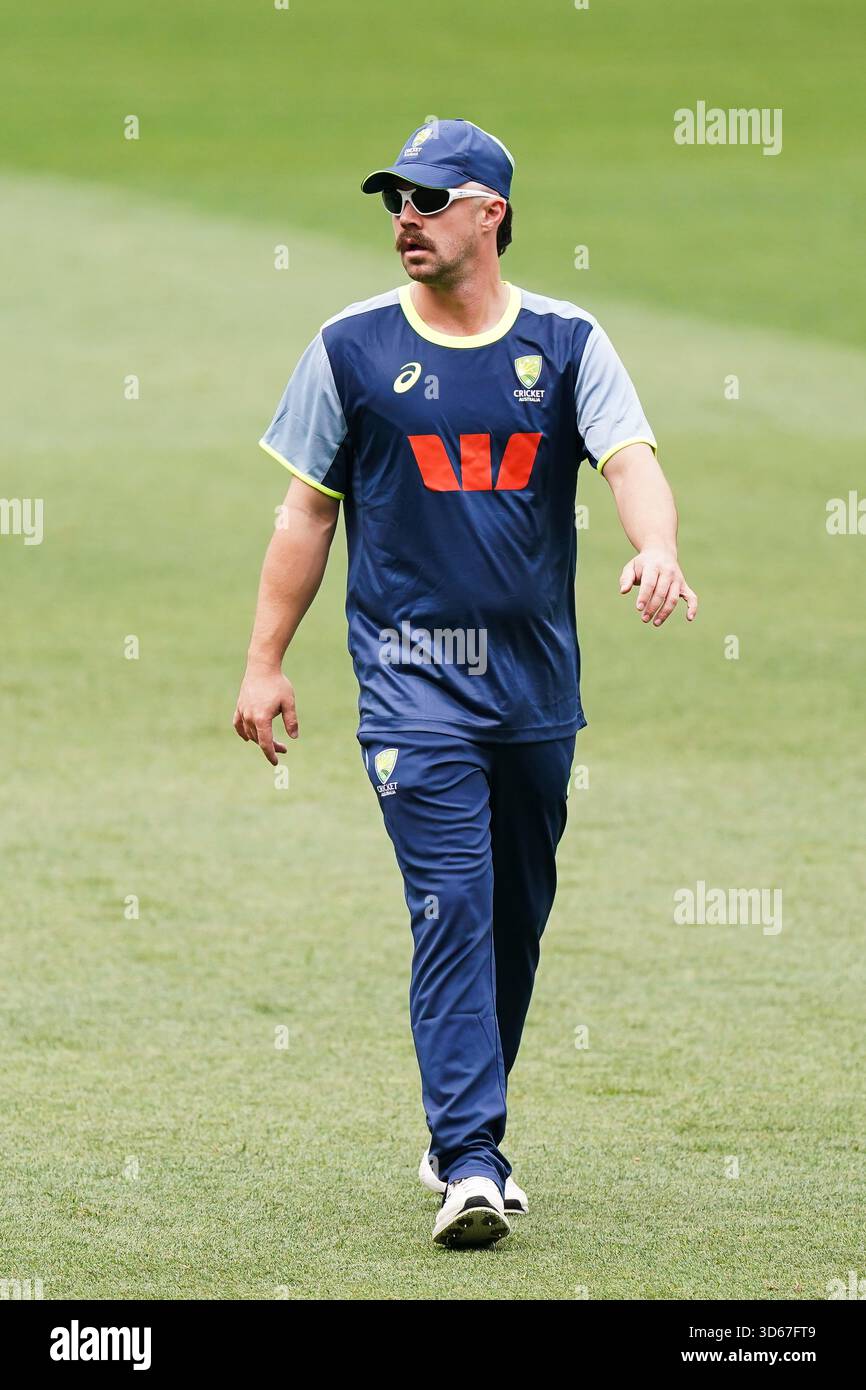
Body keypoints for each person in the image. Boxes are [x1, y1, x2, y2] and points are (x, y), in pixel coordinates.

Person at [233, 119, 698, 1248]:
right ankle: (475, 1161)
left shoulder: (566, 339)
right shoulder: (346, 348)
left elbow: (630, 456)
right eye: (395, 199)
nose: (405, 217)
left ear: (489, 211)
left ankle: (457, 1137)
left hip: (535, 693)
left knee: (513, 915)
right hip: (408, 688)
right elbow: (306, 510)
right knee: (450, 905)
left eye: (430, 199)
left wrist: (656, 544)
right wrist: (263, 659)